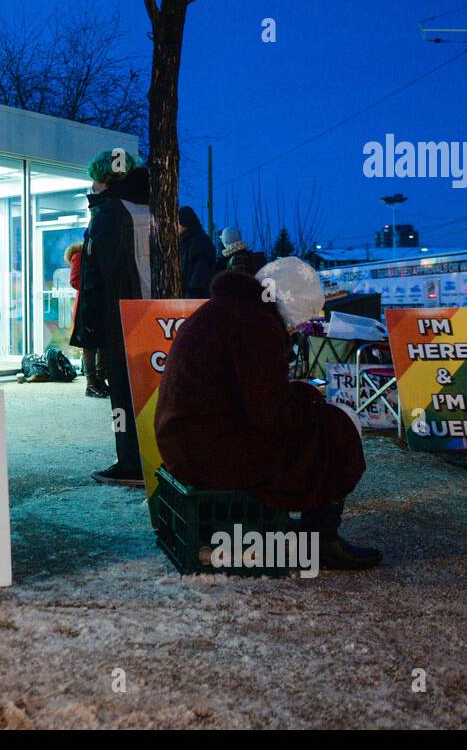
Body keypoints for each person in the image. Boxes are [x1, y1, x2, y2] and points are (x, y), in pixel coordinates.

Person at [153, 260, 382, 569]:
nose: (299, 326)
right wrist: (309, 397)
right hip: (212, 455)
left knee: (322, 423)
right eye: (303, 315)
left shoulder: (225, 310)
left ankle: (303, 530)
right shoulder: (255, 324)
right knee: (339, 426)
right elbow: (274, 416)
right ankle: (322, 539)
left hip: (189, 446)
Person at [70, 149, 152, 486]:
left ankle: (129, 462)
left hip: (122, 317)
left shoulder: (107, 214)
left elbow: (96, 276)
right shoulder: (149, 209)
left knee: (121, 394)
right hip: (155, 314)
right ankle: (151, 456)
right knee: (148, 389)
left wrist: (90, 328)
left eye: (95, 178)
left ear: (105, 179)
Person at [66, 241, 107, 398]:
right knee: (89, 346)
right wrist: (93, 287)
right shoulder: (79, 255)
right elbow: (74, 281)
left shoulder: (96, 254)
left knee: (101, 344)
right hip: (87, 305)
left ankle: (99, 379)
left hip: (98, 304)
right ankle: (91, 382)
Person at [178, 206, 215, 299]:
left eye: (177, 223)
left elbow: (200, 271)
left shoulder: (199, 241)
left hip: (197, 298)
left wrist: (192, 294)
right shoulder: (187, 242)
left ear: (184, 223)